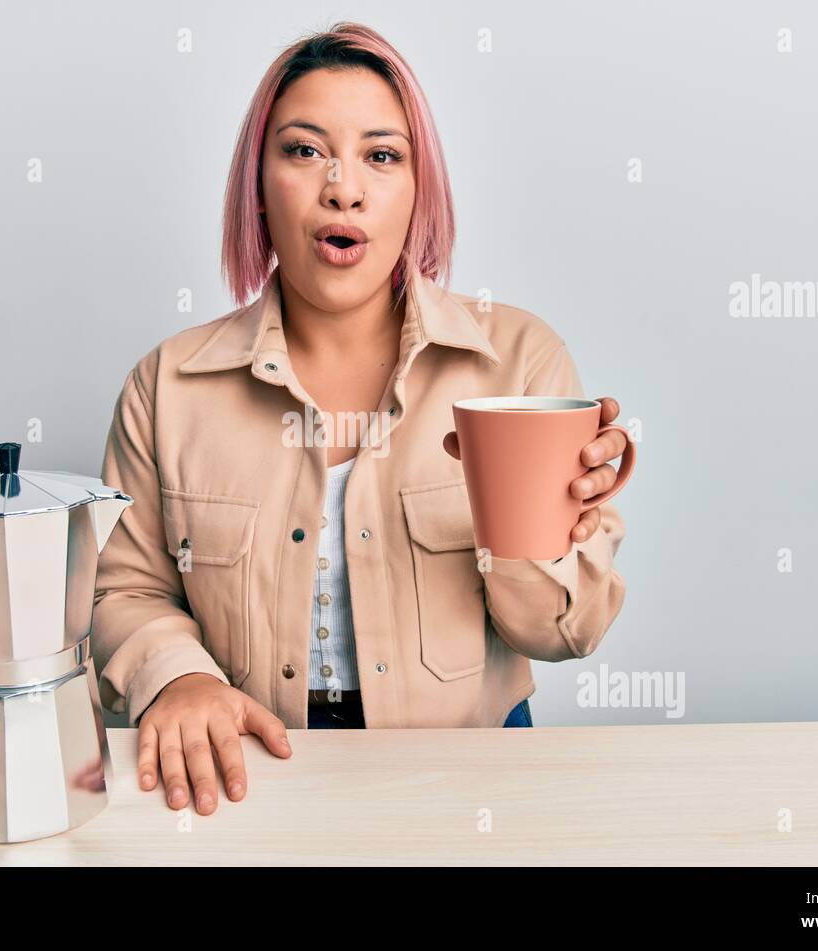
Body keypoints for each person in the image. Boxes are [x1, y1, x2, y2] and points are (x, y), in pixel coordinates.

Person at [91, 22, 628, 816]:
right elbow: (124, 588)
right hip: (240, 776)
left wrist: (535, 518)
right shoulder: (167, 385)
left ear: (420, 189)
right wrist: (180, 675)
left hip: (474, 778)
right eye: (304, 150)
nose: (343, 187)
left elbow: (561, 632)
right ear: (257, 184)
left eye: (382, 155)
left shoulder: (518, 365)